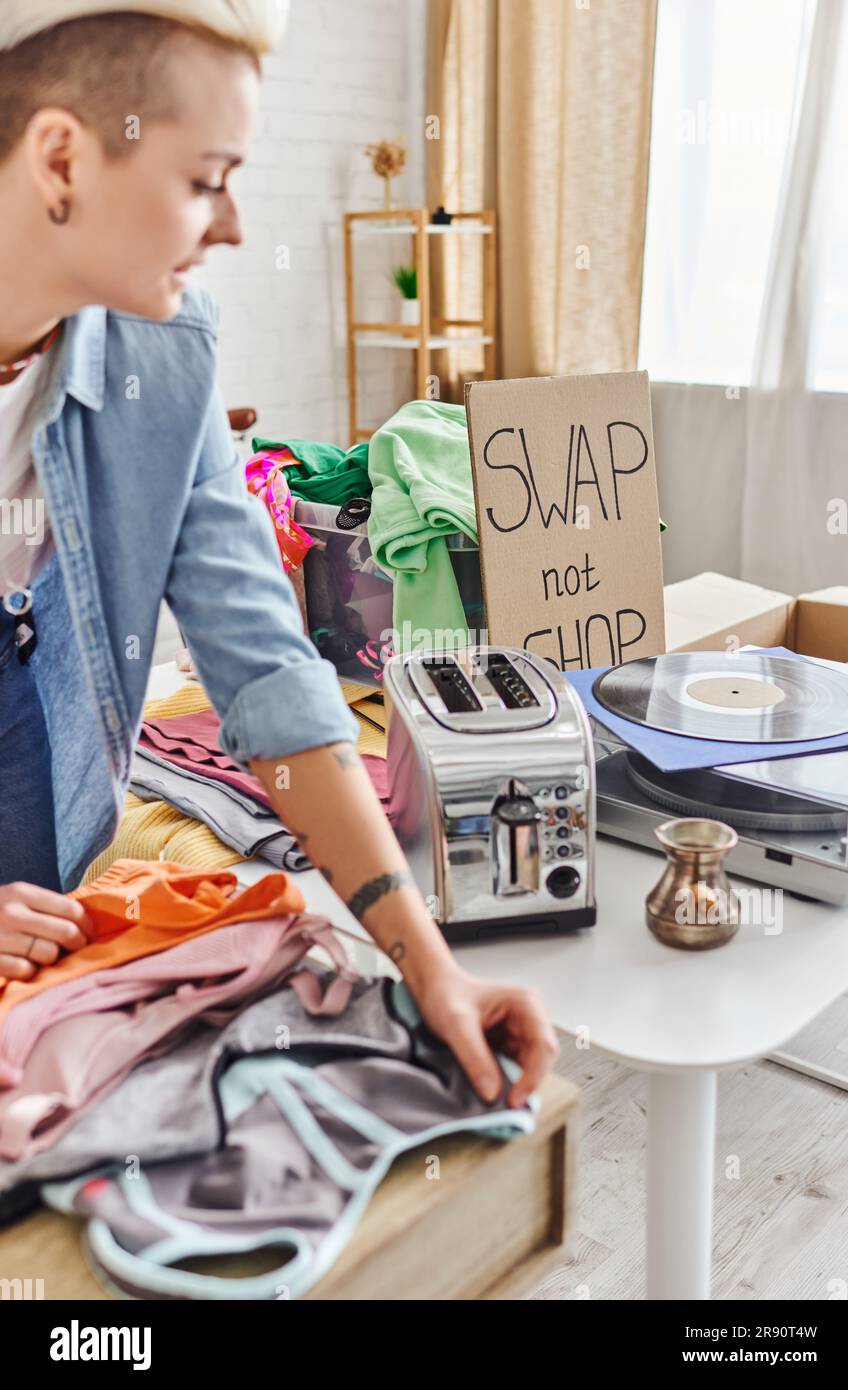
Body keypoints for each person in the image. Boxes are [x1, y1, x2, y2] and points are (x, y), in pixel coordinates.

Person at [0, 1, 558, 1109]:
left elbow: (263, 668)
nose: (237, 225)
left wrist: (427, 961)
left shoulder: (165, 355)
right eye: (208, 177)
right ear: (60, 158)